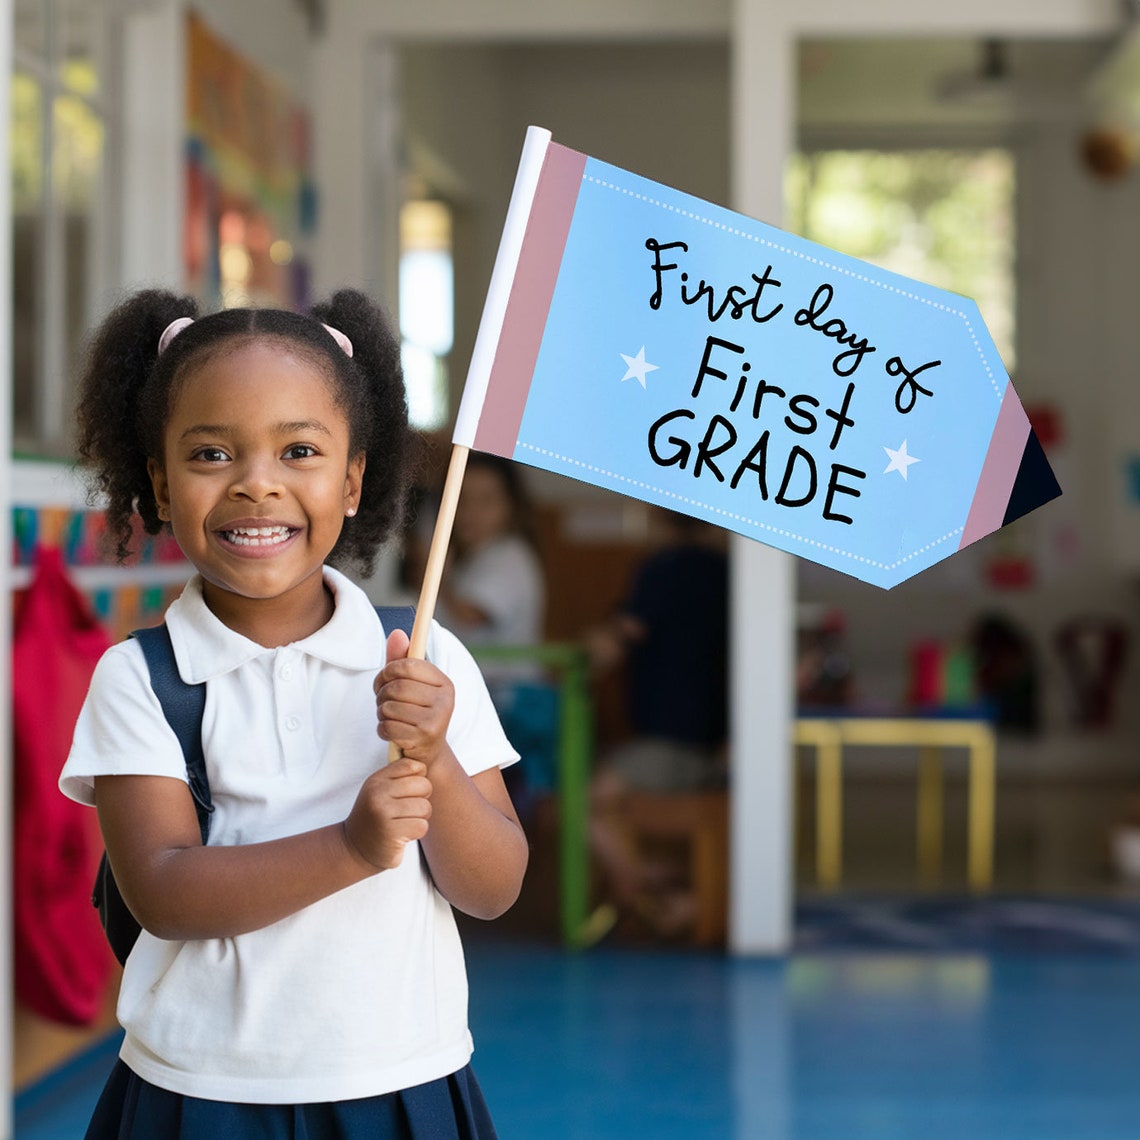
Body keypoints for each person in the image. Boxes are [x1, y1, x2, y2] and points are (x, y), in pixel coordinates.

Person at [59, 288, 528, 1138]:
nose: (256, 484)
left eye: (300, 449)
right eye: (210, 454)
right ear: (160, 485)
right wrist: (352, 847)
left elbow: (493, 888)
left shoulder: (426, 662)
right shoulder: (141, 679)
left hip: (403, 1083)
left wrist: (437, 762)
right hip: (199, 1095)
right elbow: (163, 890)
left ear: (352, 481)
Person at [585, 510, 728, 940]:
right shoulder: (730, 573)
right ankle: (659, 885)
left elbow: (612, 645)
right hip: (717, 741)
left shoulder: (662, 569)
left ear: (655, 516)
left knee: (582, 798)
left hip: (673, 743)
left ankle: (638, 885)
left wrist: (586, 649)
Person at [435, 454, 556, 806]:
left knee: (496, 808)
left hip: (512, 704)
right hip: (490, 699)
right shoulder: (474, 558)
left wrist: (433, 574)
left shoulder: (510, 556)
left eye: (487, 501)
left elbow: (472, 614)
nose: (471, 511)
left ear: (511, 507)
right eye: (463, 499)